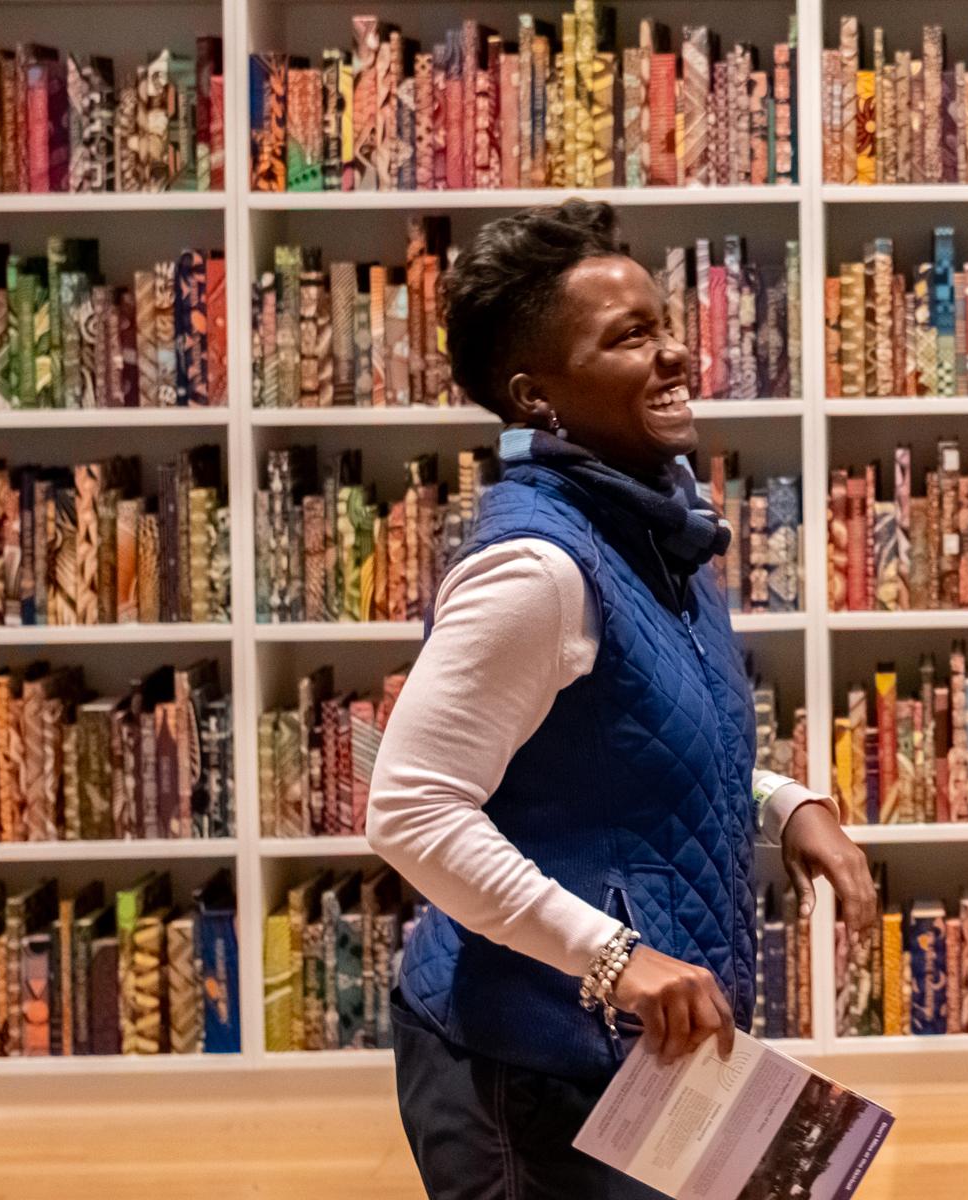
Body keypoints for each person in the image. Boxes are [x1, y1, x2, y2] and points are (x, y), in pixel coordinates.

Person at [364, 199, 878, 1198]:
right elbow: (411, 808)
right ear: (537, 396)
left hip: (636, 1058)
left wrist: (783, 804)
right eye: (630, 337)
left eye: (665, 323)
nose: (676, 353)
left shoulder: (657, 528)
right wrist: (613, 959)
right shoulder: (536, 570)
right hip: (529, 1070)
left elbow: (628, 746)